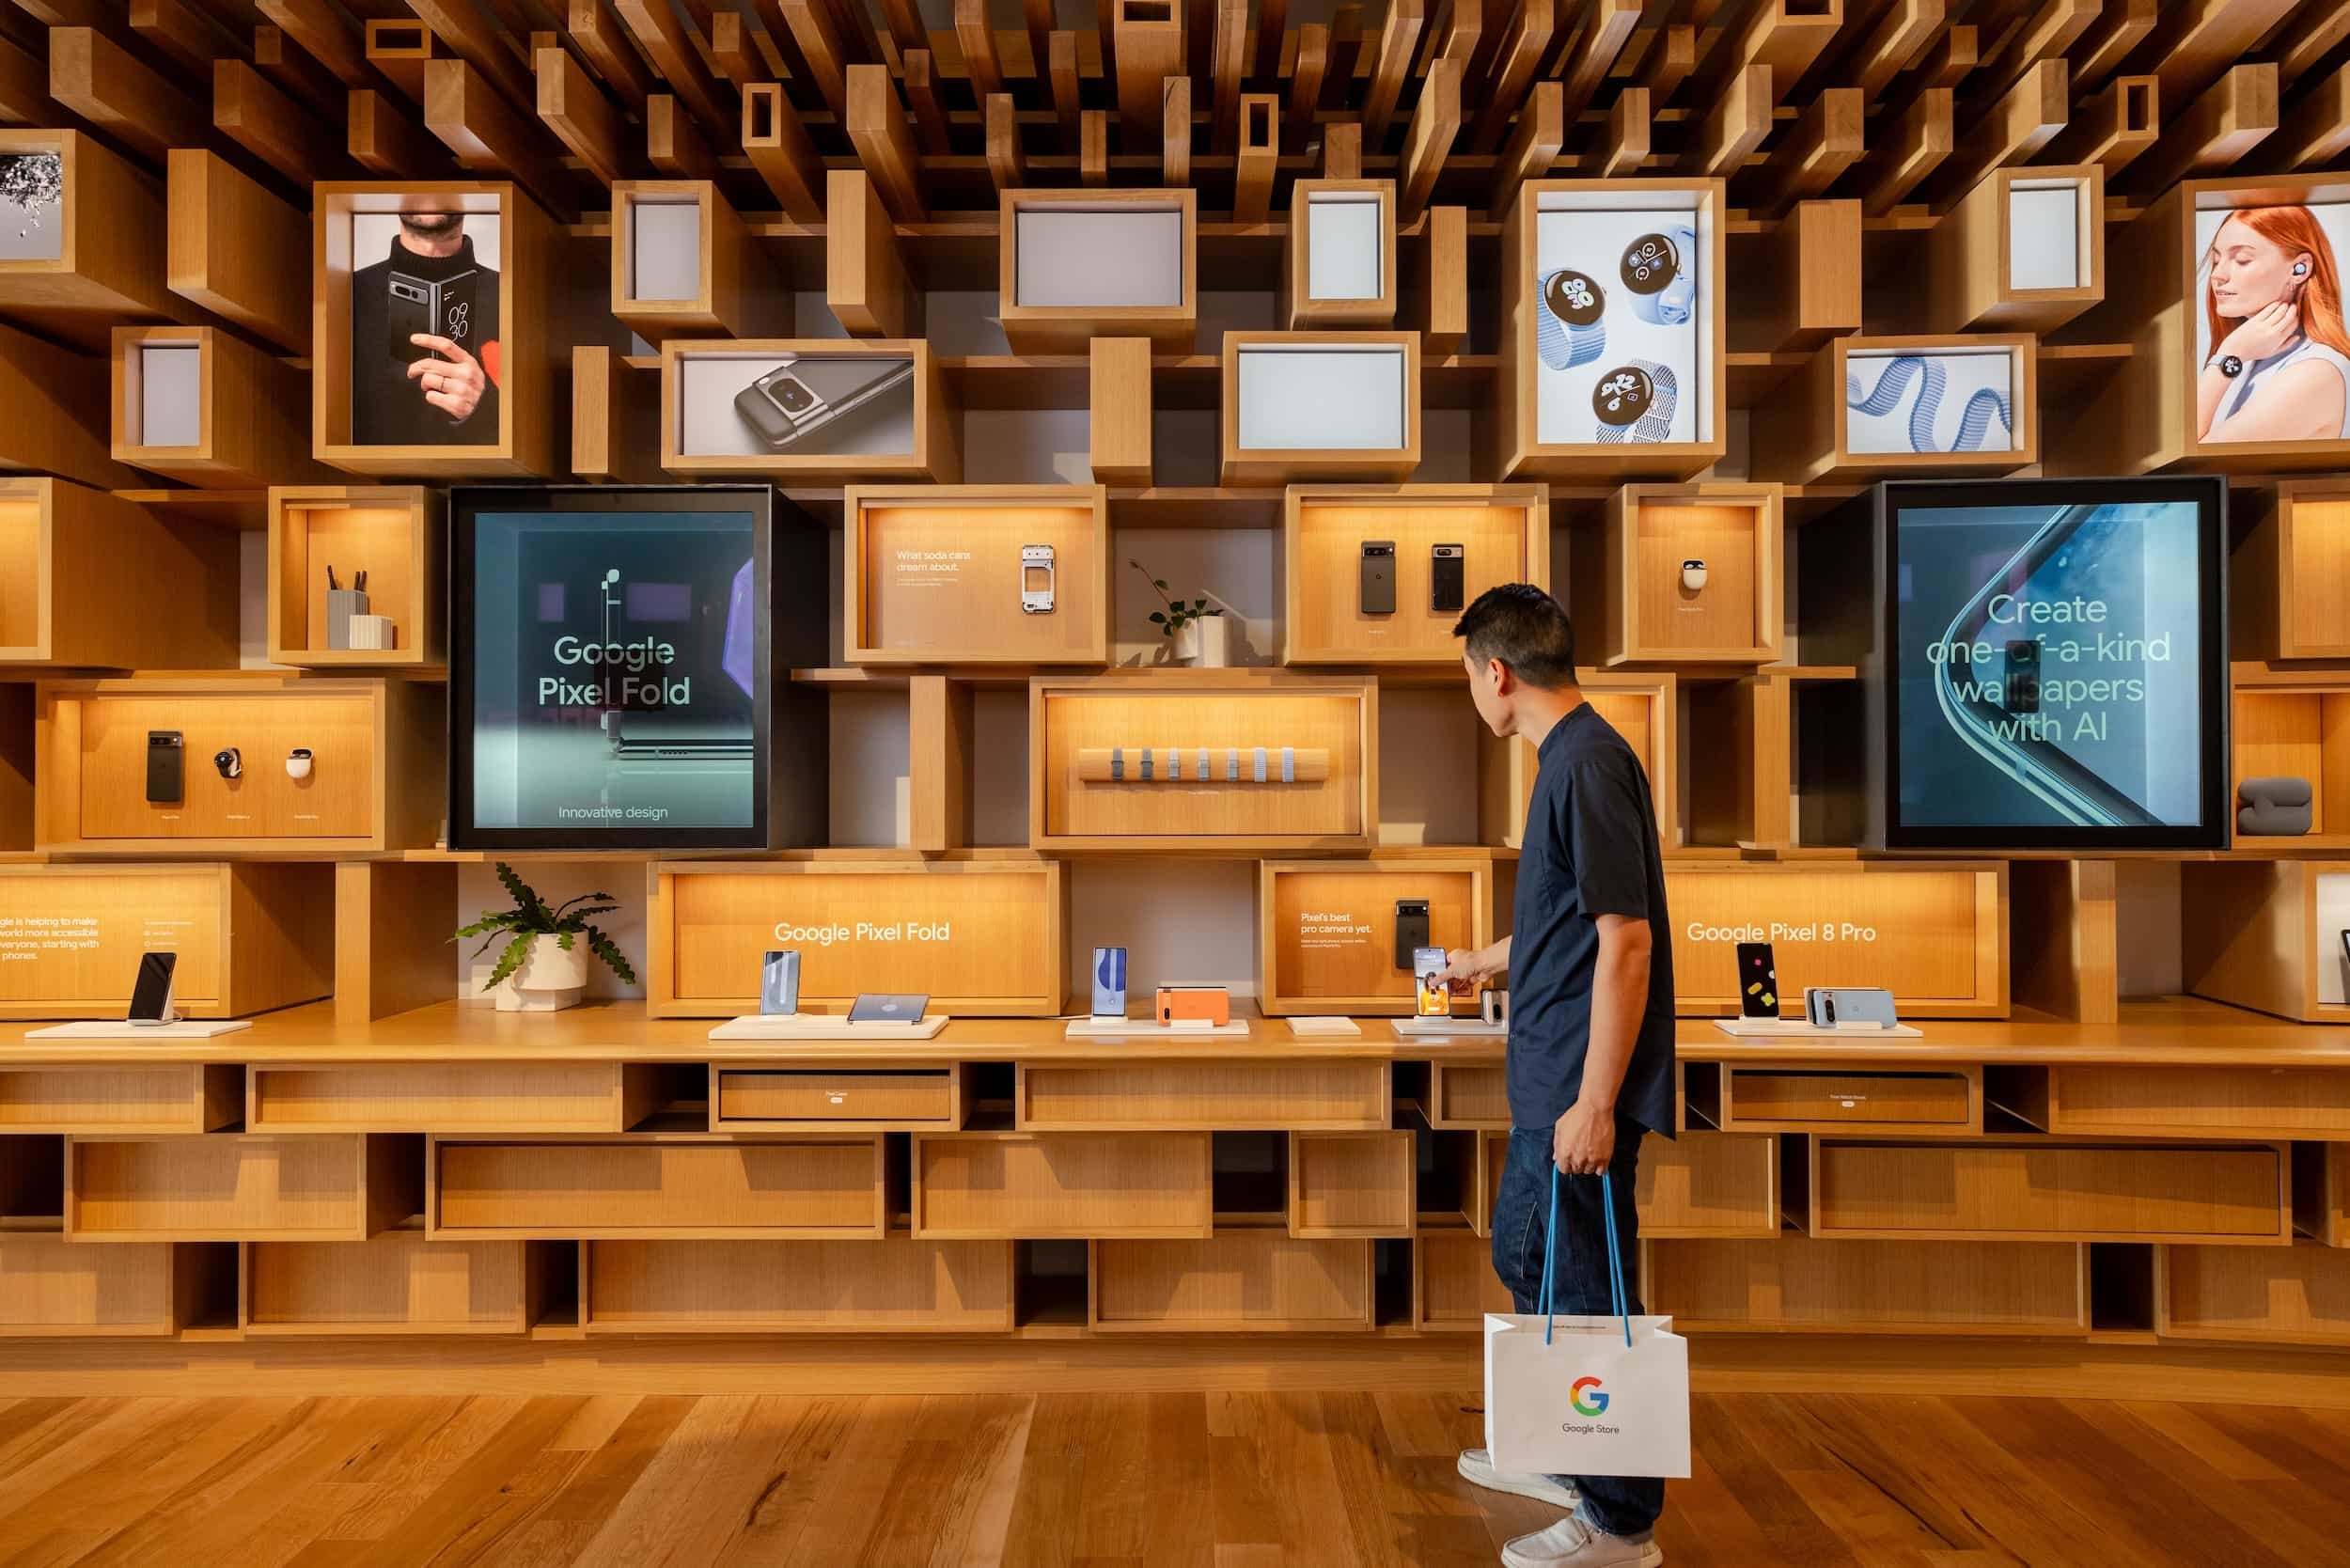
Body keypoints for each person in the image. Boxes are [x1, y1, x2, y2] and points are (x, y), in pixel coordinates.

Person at [1440, 585, 1676, 1568]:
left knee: (1581, 1288)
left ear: (1496, 672)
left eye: (1466, 676)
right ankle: (1562, 1449)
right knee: (1529, 1262)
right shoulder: (1567, 763)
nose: (1471, 693)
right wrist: (1488, 961)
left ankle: (1619, 1521)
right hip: (1546, 1082)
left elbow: (1626, 942)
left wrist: (1593, 1104)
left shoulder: (1585, 767)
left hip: (1575, 1091)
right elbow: (1574, 920)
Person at [350, 201, 500, 446]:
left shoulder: (514, 296)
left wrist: (483, 404)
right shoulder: (344, 295)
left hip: (484, 478)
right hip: (362, 480)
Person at [2199, 203, 2350, 444]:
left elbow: (2190, 464)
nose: (2218, 274)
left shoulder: (2316, 372)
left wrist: (2228, 356)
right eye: (2216, 261)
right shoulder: (2251, 356)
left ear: (2300, 269)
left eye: (2242, 260)